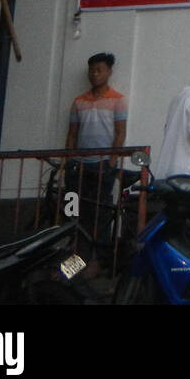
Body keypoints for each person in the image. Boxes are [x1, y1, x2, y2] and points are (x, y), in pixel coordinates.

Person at [65, 52, 127, 267]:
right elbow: (72, 134)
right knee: (75, 215)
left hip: (102, 166)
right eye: (92, 70)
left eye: (99, 69)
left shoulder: (118, 100)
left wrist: (111, 162)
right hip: (79, 166)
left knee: (101, 215)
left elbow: (120, 133)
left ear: (109, 72)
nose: (94, 74)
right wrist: (70, 160)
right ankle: (74, 264)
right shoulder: (79, 101)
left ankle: (96, 264)